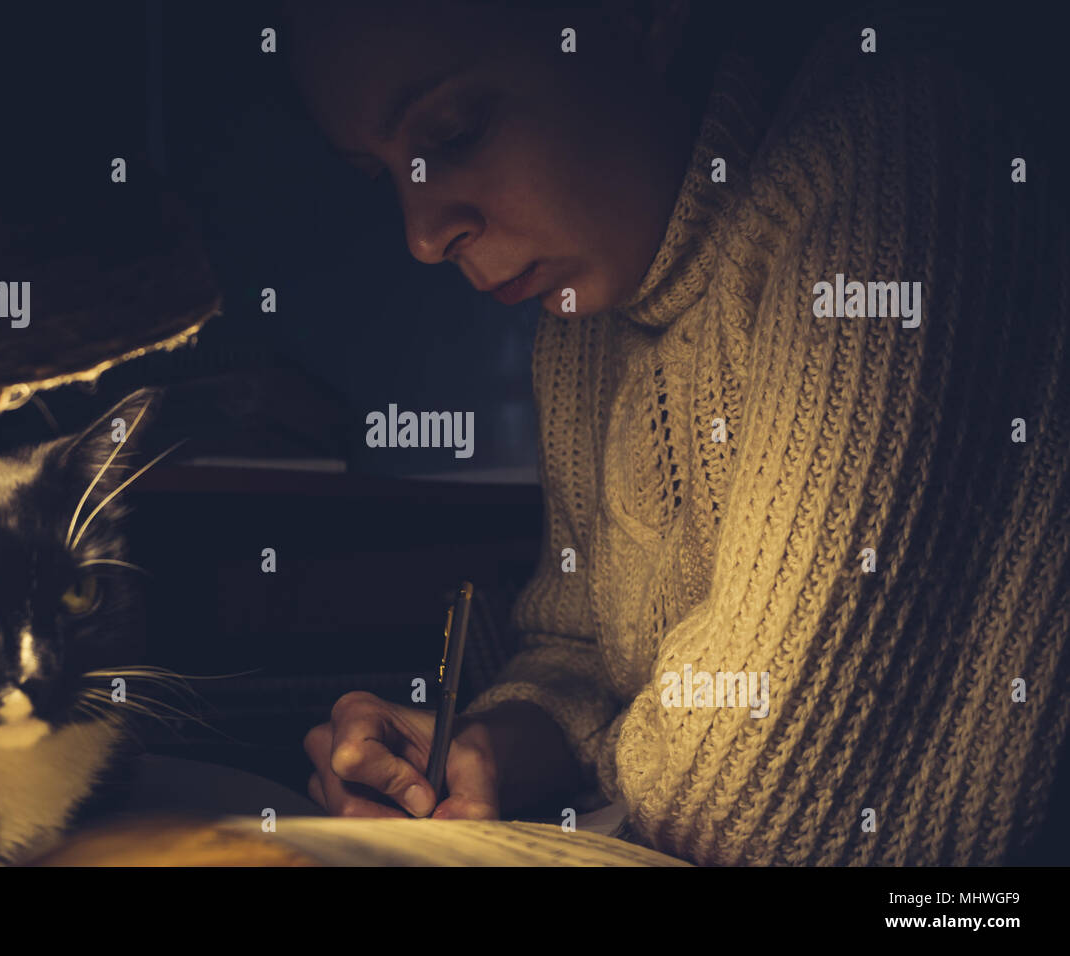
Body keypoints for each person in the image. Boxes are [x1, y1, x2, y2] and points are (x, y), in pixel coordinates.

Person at [290, 0, 1070, 865]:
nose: (423, 235)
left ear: (639, 19)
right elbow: (577, 649)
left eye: (458, 129)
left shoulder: (903, 160)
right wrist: (485, 747)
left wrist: (618, 733)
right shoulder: (584, 319)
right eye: (381, 176)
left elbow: (757, 792)